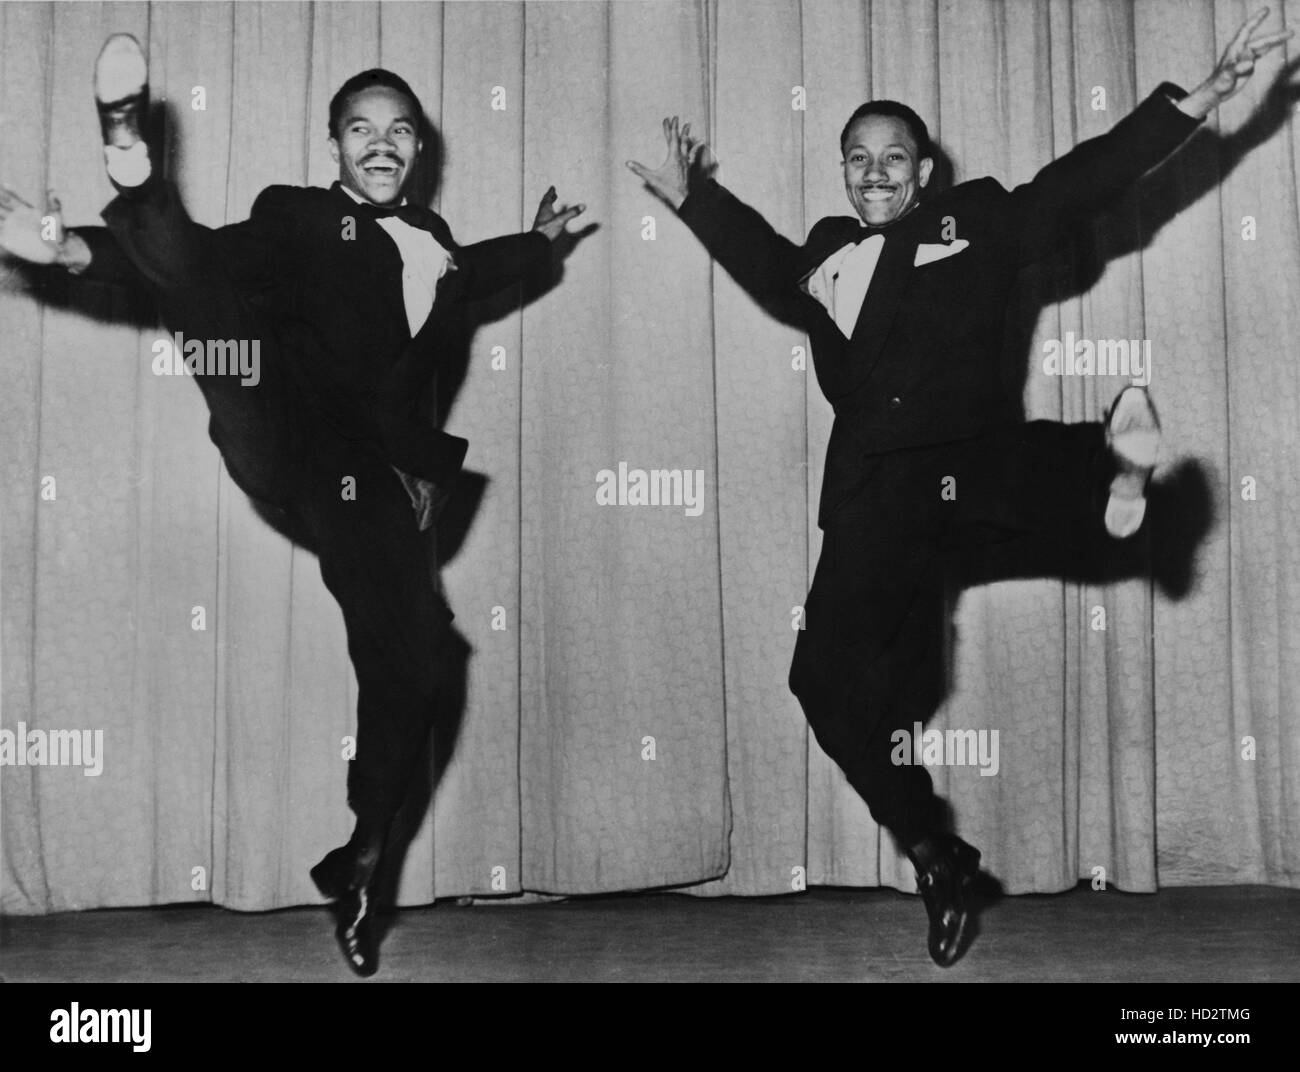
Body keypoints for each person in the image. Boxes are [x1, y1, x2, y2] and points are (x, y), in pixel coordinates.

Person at [627, 8, 1292, 966]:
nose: (875, 173)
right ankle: (936, 854)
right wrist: (694, 200)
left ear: (924, 172)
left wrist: (1191, 105)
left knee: (1016, 471)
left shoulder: (969, 219)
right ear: (844, 173)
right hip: (873, 506)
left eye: (894, 158)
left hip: (964, 462)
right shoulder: (827, 251)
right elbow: (772, 268)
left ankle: (1116, 481)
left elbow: (1073, 189)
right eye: (858, 159)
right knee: (819, 680)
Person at [0, 33, 586, 976]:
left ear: (420, 152)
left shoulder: (433, 242)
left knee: (426, 663)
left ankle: (359, 858)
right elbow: (211, 259)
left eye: (399, 132)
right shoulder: (302, 218)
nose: (382, 146)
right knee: (212, 308)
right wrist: (74, 251)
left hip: (386, 487)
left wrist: (542, 242)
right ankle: (131, 162)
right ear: (335, 147)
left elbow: (478, 268)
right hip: (285, 432)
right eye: (362, 130)